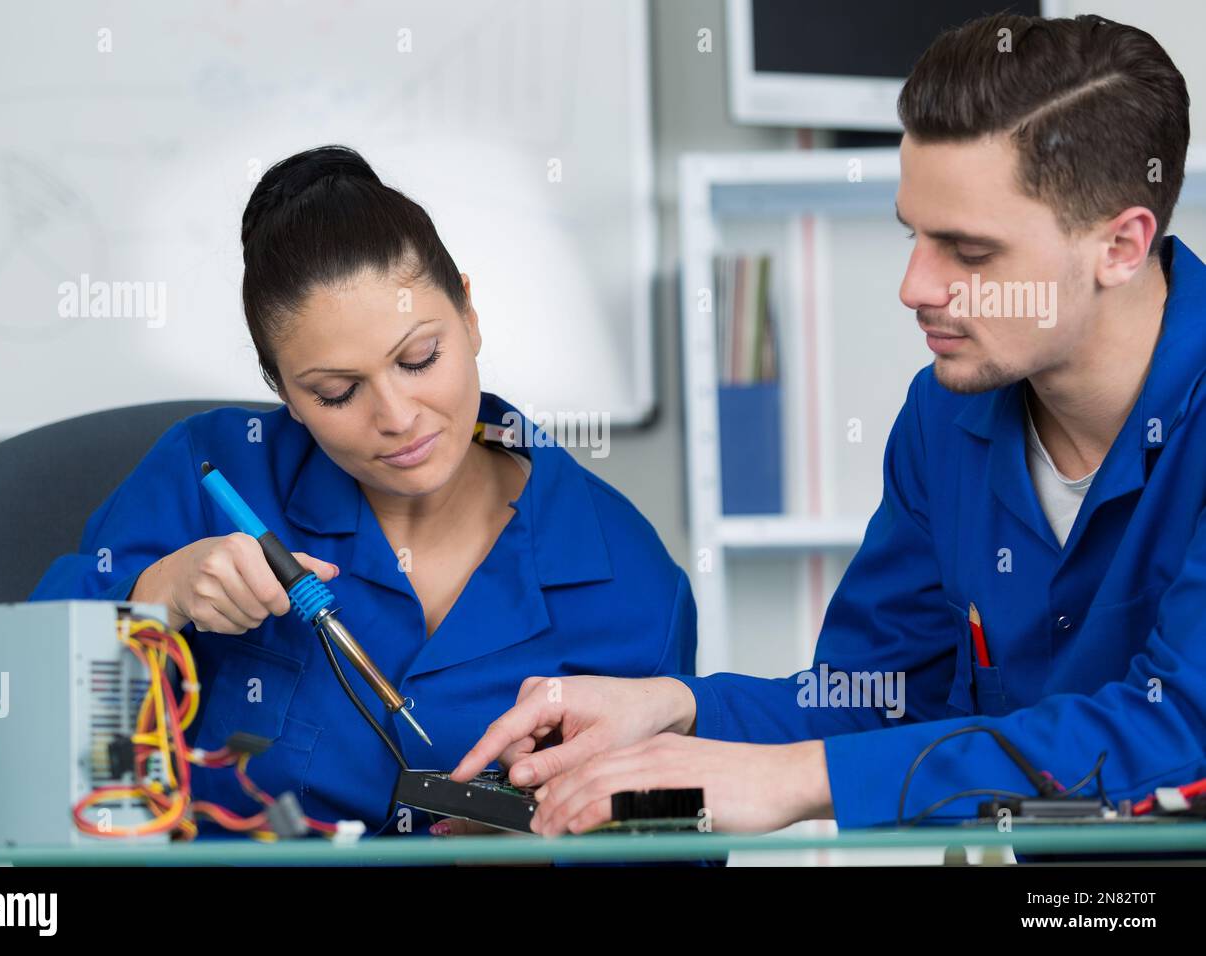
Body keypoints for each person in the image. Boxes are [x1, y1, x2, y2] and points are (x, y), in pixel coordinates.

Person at [454, 12, 1206, 835]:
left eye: (970, 252)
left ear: (1123, 246)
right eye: (913, 235)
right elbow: (878, 695)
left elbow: (1177, 729)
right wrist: (676, 709)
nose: (916, 285)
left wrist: (797, 777)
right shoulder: (942, 418)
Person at [29, 145, 696, 835]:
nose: (397, 418)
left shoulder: (632, 579)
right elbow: (30, 715)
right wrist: (155, 599)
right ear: (283, 391)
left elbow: (681, 837)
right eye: (337, 393)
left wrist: (550, 841)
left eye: (419, 359)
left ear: (468, 313)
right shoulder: (212, 474)